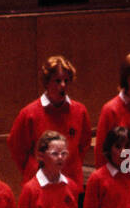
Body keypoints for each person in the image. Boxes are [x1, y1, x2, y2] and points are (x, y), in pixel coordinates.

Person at [8, 55, 91, 187]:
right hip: (39, 184)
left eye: (66, 80)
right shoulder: (29, 113)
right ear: (46, 83)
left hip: (70, 183)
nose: (62, 85)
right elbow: (16, 147)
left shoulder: (80, 111)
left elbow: (83, 144)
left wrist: (71, 165)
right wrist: (34, 168)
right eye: (57, 81)